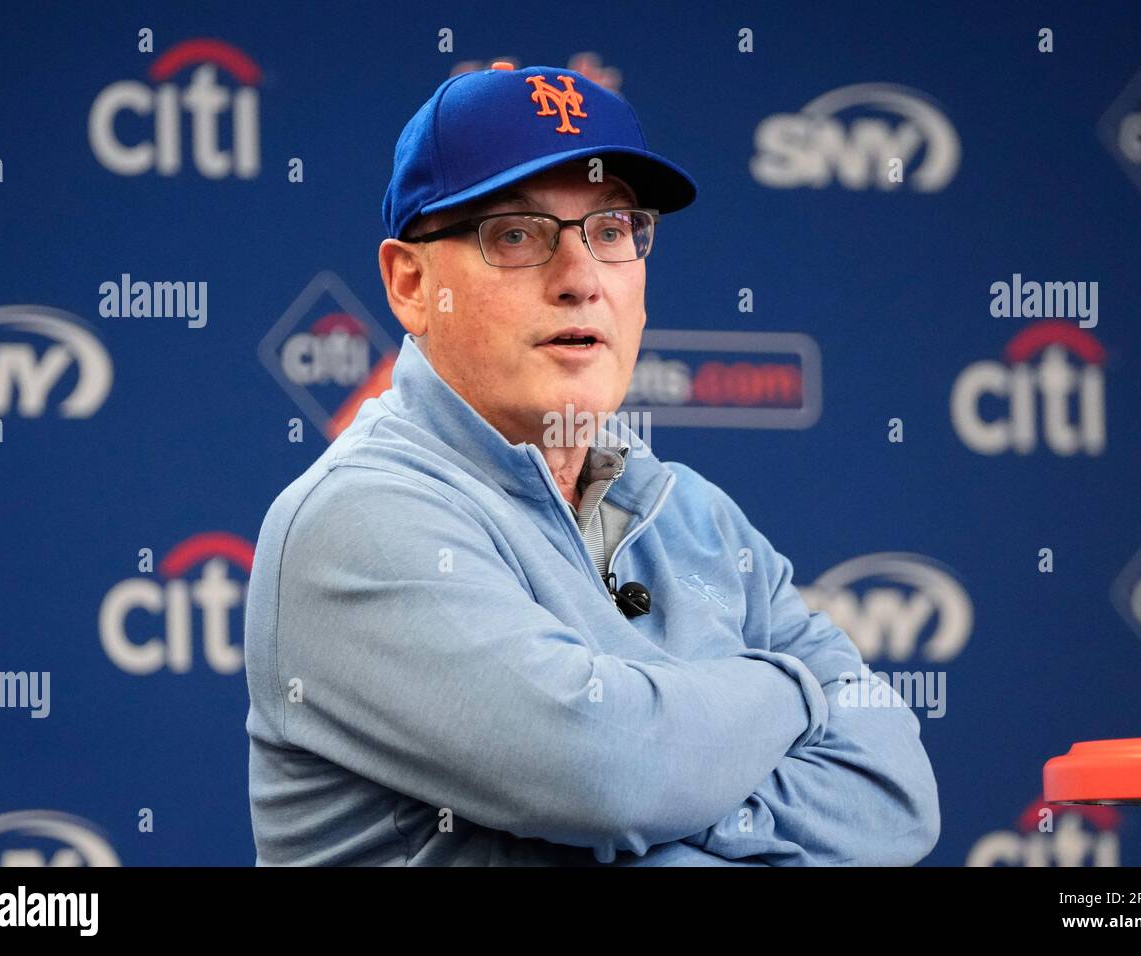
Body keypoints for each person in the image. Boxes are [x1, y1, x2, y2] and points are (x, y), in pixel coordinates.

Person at [244, 62, 941, 865]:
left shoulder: (699, 517)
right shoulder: (355, 518)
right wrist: (793, 691)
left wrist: (668, 805)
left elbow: (895, 799)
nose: (580, 279)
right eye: (515, 234)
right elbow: (608, 775)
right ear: (410, 284)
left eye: (611, 231)